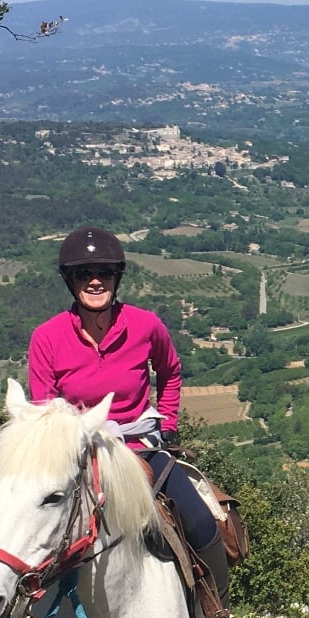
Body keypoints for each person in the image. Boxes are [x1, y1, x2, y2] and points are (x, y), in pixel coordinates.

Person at [27, 226, 217, 551]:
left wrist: (168, 424)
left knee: (201, 523)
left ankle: (215, 603)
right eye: (84, 273)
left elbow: (170, 370)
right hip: (79, 453)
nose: (95, 281)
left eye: (105, 272)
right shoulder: (47, 338)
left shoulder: (146, 325)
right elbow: (45, 414)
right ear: (70, 281)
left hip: (139, 445)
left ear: (117, 278)